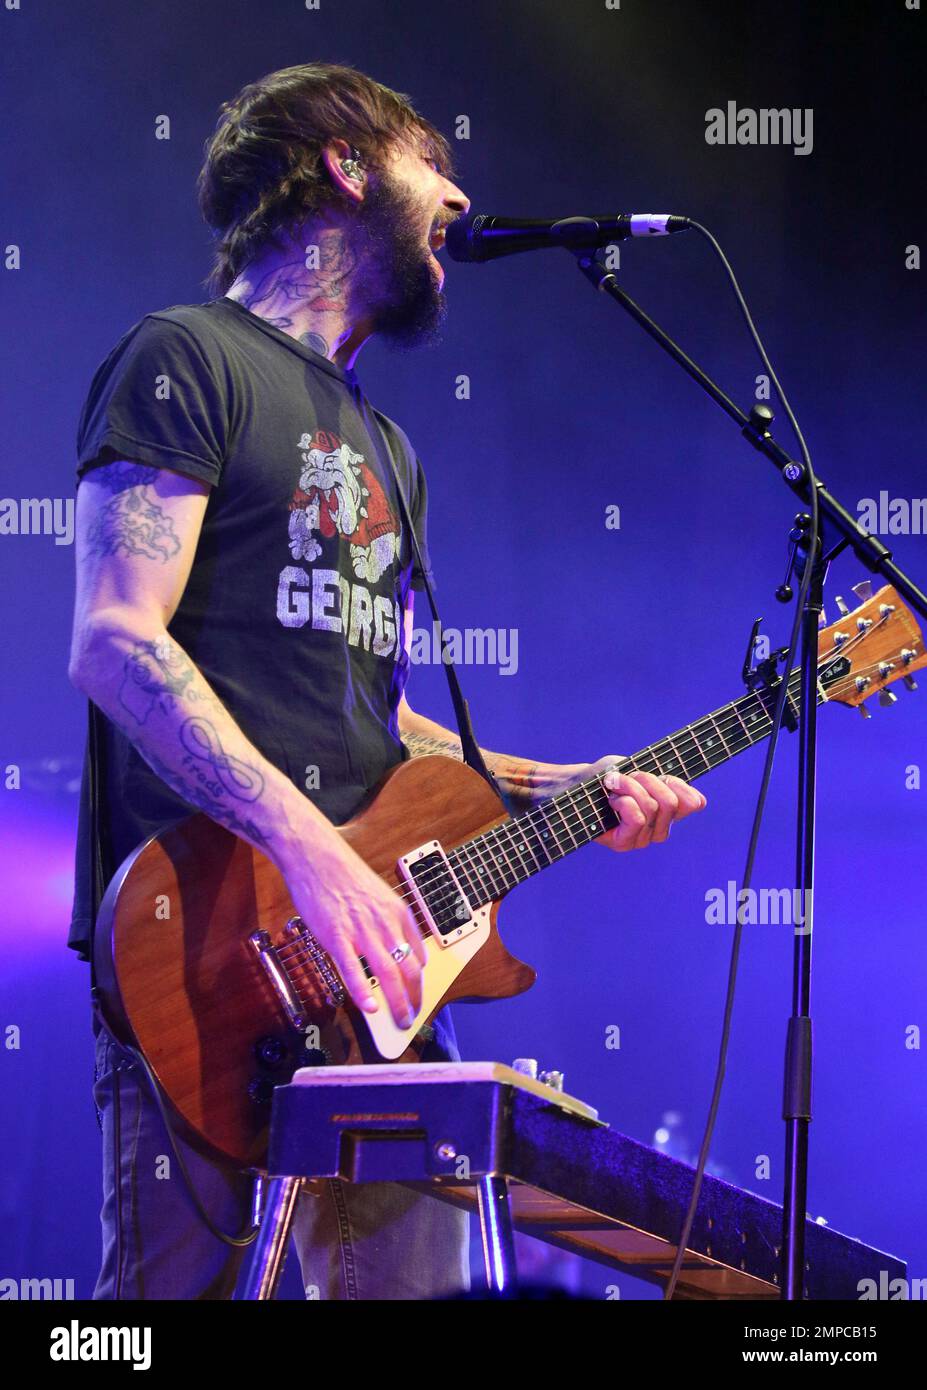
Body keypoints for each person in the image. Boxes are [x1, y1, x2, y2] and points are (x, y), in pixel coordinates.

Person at [67, 61, 707, 1301]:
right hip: (200, 955)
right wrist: (310, 851)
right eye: (433, 160)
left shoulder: (391, 451)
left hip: (377, 981)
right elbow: (117, 638)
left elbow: (386, 720)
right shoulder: (184, 360)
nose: (462, 196)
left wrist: (571, 783)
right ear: (348, 168)